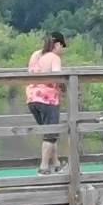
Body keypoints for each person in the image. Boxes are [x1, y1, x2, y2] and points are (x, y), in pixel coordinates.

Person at [26, 31, 68, 175]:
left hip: (32, 98)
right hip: (48, 99)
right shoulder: (54, 57)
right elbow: (57, 76)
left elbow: (29, 72)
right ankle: (43, 167)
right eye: (62, 46)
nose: (62, 50)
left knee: (50, 133)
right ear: (57, 44)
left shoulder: (35, 55)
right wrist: (64, 86)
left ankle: (56, 164)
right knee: (50, 134)